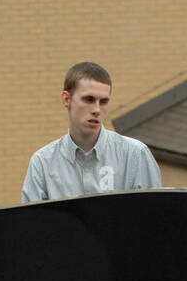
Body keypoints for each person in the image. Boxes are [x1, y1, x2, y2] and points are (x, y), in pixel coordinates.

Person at [21, 62, 161, 202]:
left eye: (104, 102)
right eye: (89, 99)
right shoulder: (42, 163)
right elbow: (30, 222)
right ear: (66, 99)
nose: (97, 110)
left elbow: (153, 217)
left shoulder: (136, 155)